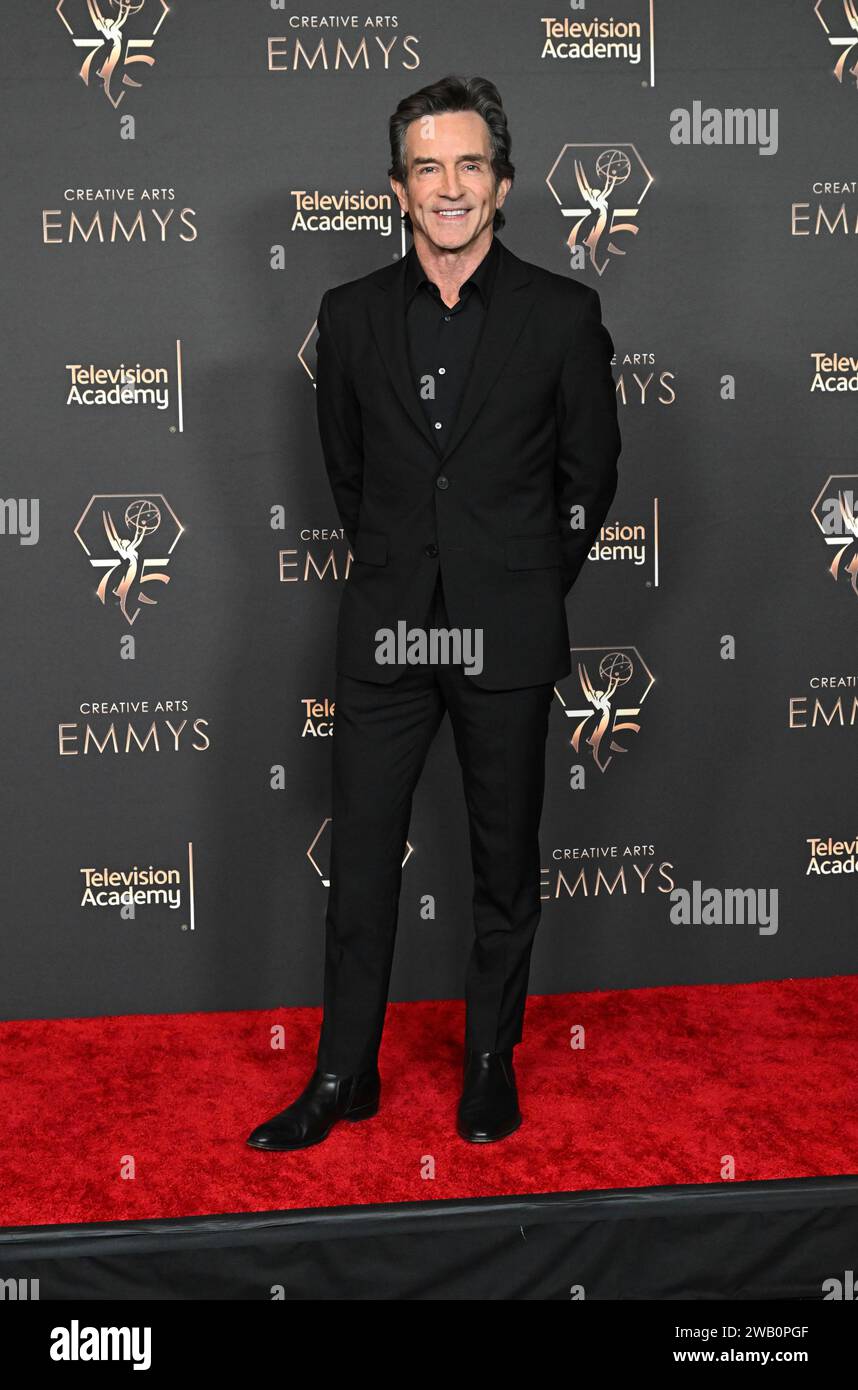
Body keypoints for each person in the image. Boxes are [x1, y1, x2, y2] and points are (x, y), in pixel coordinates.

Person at [247, 74, 621, 1152]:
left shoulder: (563, 314)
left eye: (468, 166)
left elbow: (592, 472)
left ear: (502, 184)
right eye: (427, 167)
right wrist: (406, 567)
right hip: (390, 631)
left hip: (506, 631)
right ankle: (341, 1074)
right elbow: (350, 476)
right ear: (398, 189)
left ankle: (490, 1061)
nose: (448, 187)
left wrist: (530, 581)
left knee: (505, 864)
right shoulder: (351, 316)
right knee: (360, 861)